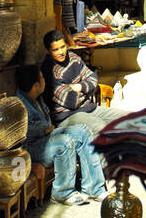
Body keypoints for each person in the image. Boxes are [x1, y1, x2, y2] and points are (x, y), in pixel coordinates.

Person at [15, 64, 107, 205]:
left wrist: (47, 128)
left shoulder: (36, 98)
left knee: (83, 131)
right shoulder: (19, 105)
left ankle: (94, 189)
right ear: (35, 86)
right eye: (42, 78)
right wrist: (45, 128)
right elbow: (25, 132)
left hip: (45, 139)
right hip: (31, 148)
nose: (44, 80)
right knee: (64, 142)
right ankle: (62, 193)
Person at [41, 30, 111, 133]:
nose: (61, 52)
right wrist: (89, 90)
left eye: (63, 47)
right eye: (55, 50)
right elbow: (72, 101)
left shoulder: (73, 58)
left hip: (89, 108)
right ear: (48, 51)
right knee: (101, 128)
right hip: (68, 116)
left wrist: (80, 87)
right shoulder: (50, 70)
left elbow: (93, 77)